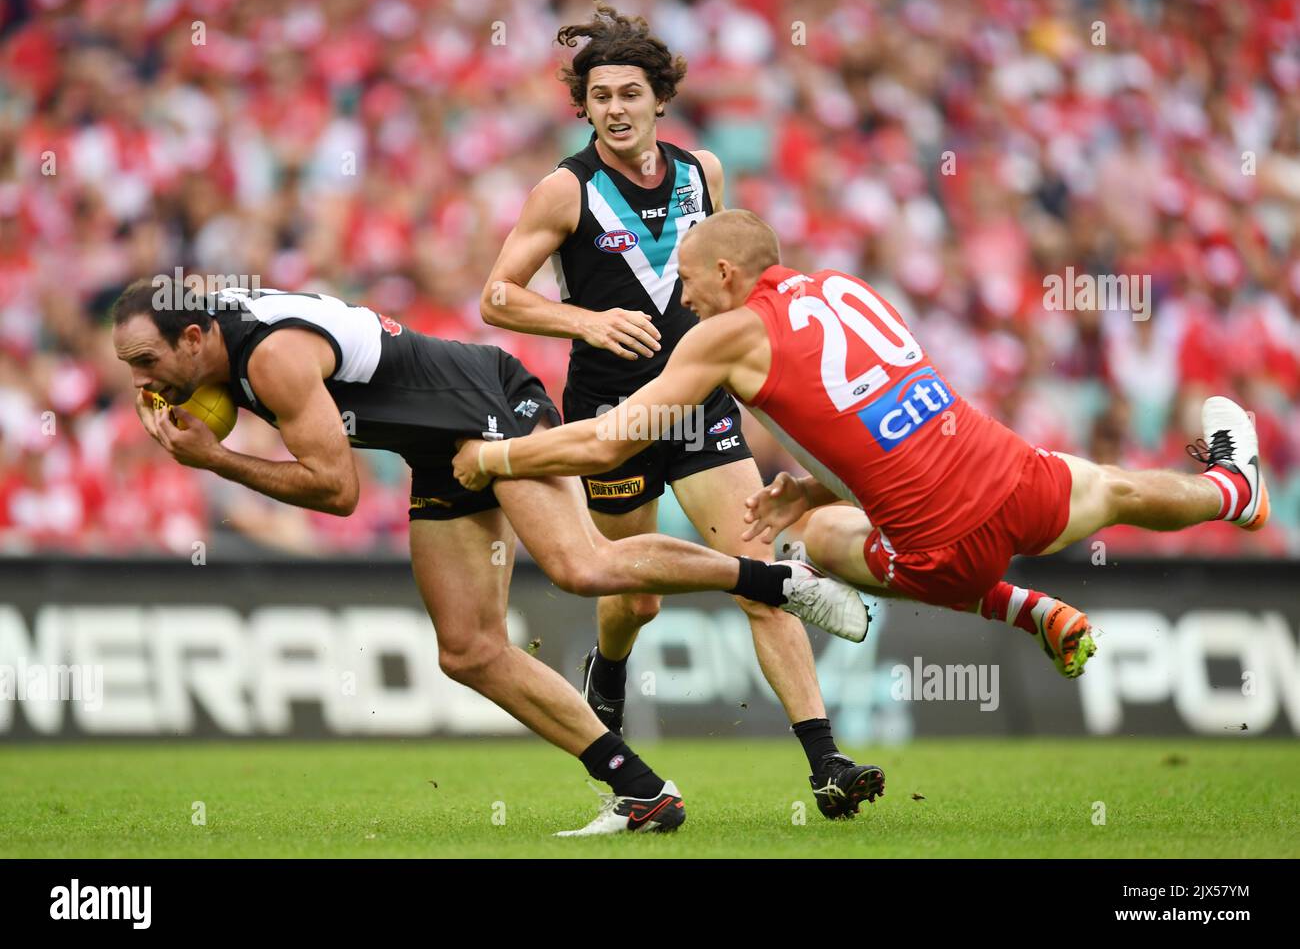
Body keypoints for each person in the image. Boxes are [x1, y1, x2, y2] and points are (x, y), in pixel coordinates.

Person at [110, 279, 870, 836]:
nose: (140, 383)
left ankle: (780, 577)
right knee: (468, 650)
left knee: (582, 566)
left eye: (146, 360)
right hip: (435, 446)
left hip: (486, 406)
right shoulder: (224, 349)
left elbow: (338, 491)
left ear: (195, 337)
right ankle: (640, 792)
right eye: (128, 367)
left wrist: (217, 461)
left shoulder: (269, 355)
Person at [454, 210, 1270, 679]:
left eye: (691, 283)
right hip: (1013, 479)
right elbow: (881, 422)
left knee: (807, 542)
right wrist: (814, 480)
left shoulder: (728, 335)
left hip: (941, 551)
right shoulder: (846, 286)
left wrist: (497, 458)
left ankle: (989, 603)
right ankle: (1235, 492)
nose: (684, 298)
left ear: (732, 274)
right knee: (1119, 487)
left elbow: (608, 445)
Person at [479, 3, 882, 818]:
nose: (617, 109)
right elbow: (497, 297)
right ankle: (610, 672)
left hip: (701, 406)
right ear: (583, 106)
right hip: (611, 416)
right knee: (634, 597)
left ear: (660, 99)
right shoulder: (565, 190)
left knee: (759, 577)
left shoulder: (704, 174)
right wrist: (585, 321)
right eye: (600, 97)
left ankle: (826, 760)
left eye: (631, 93)